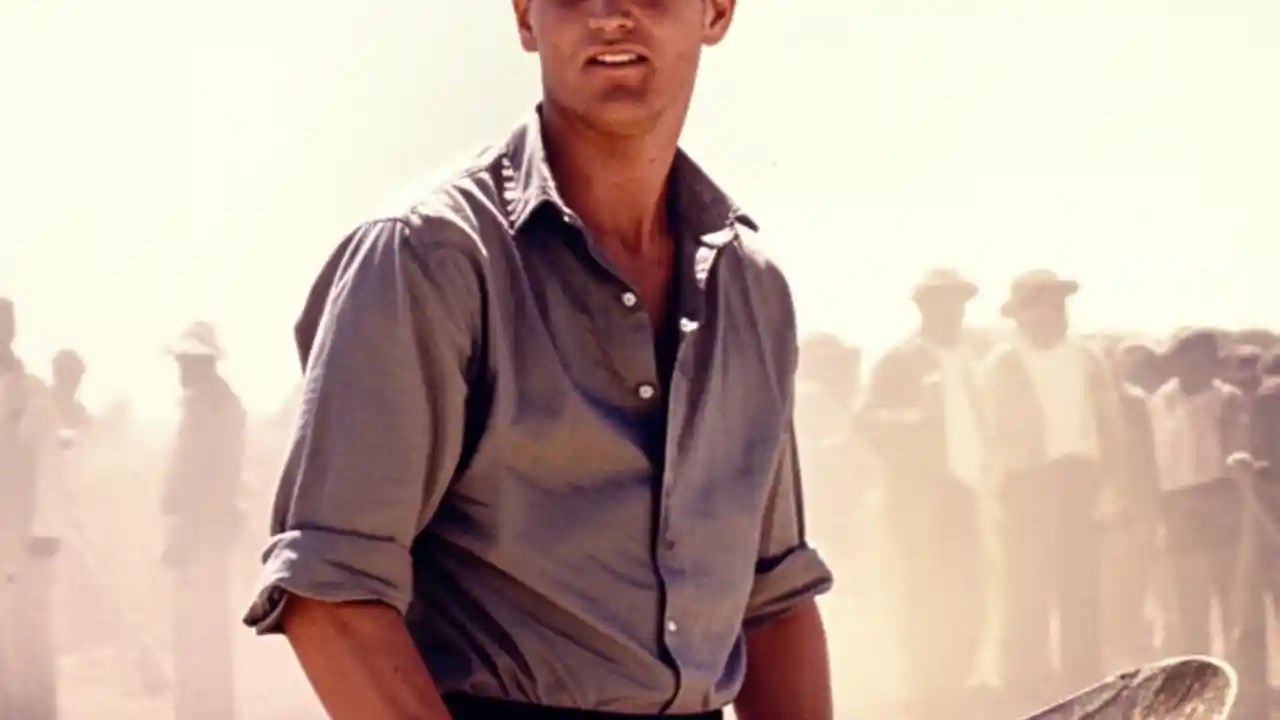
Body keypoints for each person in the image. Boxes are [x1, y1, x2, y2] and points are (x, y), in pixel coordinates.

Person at [244, 3, 834, 720]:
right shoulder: (428, 258)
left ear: (716, 11)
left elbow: (772, 600)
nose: (612, 14)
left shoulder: (749, 287)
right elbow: (331, 596)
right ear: (526, 17)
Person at [980, 271, 1126, 712]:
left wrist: (1112, 485)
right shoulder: (1001, 364)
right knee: (1026, 595)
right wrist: (995, 496)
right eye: (1041, 304)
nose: (1051, 312)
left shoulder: (1088, 358)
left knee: (1081, 594)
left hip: (1080, 482)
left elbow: (1111, 426)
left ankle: (1084, 691)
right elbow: (989, 437)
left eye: (1058, 304)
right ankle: (1026, 695)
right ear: (1022, 314)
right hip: (1026, 486)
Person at [855, 269, 990, 718]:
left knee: (970, 585)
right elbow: (866, 419)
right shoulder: (899, 361)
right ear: (923, 307)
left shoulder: (974, 358)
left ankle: (958, 677)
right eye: (941, 301)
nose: (951, 310)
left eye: (957, 302)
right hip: (922, 495)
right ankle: (929, 686)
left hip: (971, 492)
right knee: (925, 589)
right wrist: (915, 420)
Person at [162, 321, 246, 720]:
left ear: (203, 363)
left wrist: (185, 529)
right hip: (205, 526)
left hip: (201, 529)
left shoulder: (208, 407)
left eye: (187, 361)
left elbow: (202, 475)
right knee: (202, 627)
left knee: (199, 627)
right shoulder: (218, 404)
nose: (180, 369)